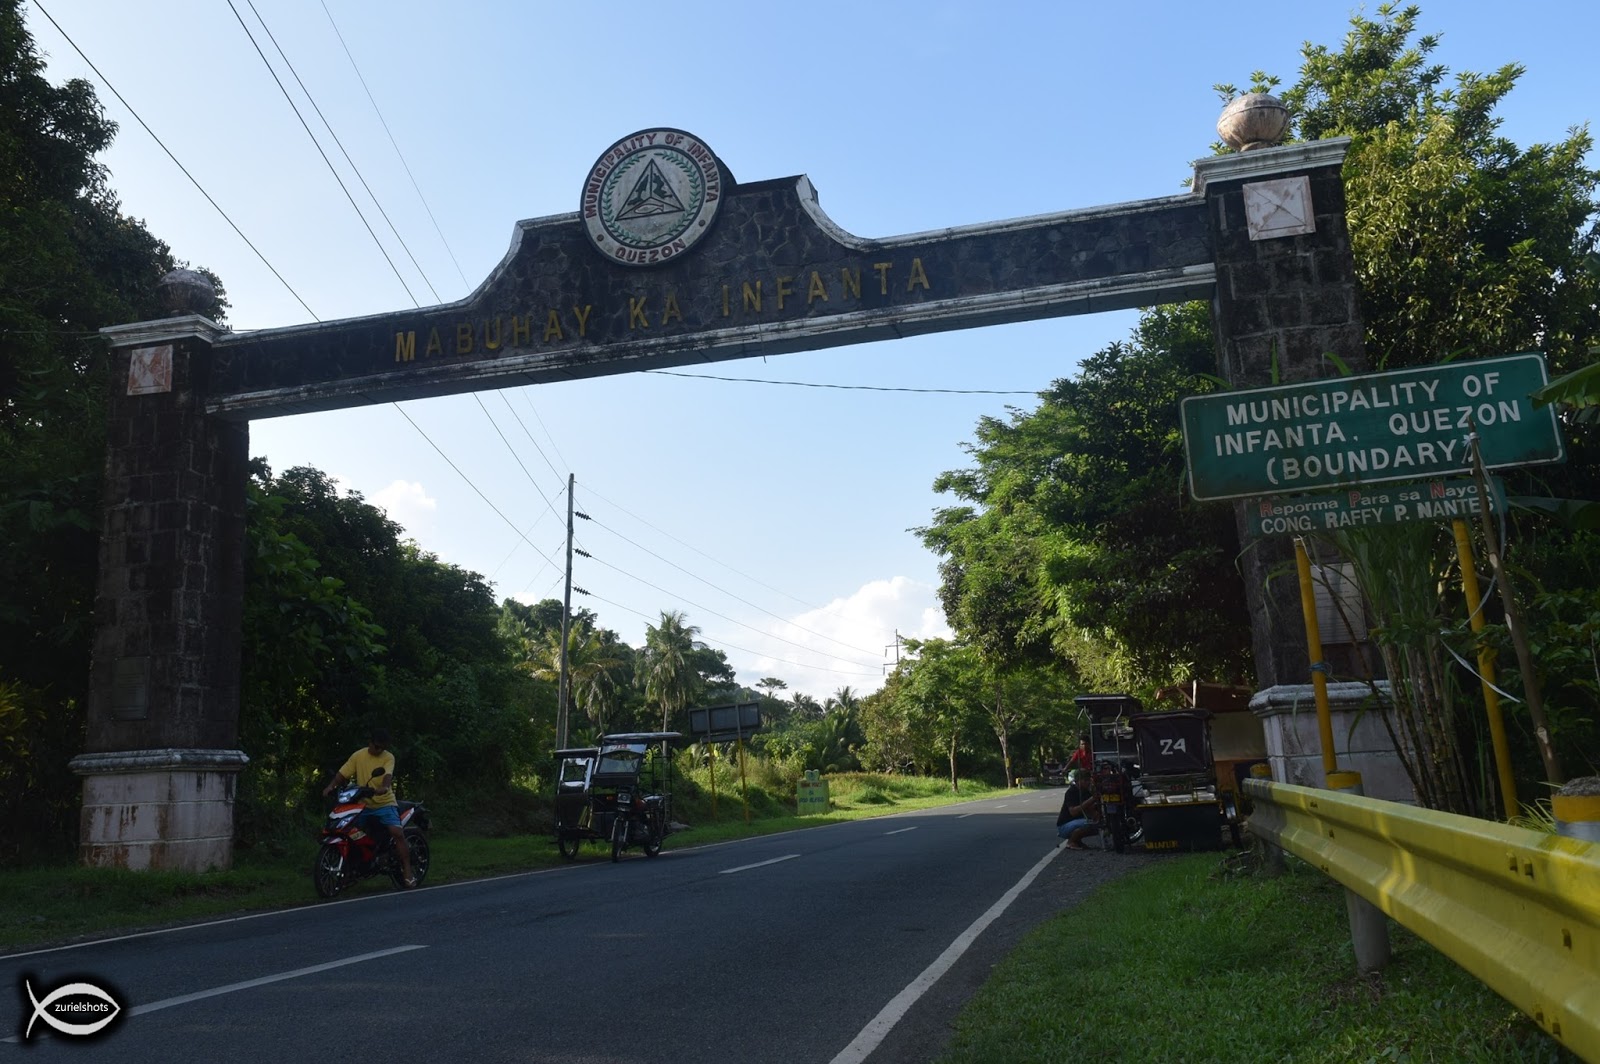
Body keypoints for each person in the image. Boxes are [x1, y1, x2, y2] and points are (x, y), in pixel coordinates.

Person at [323, 726, 415, 887]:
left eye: (383, 748)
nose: (379, 750)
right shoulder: (358, 756)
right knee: (348, 831)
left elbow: (387, 775)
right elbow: (342, 774)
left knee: (397, 832)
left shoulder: (388, 757)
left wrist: (384, 787)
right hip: (363, 804)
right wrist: (331, 786)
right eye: (377, 746)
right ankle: (352, 868)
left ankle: (407, 870)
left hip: (385, 803)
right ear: (370, 742)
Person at [1056, 768, 1100, 850]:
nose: (1088, 782)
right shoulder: (1071, 792)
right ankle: (1071, 841)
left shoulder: (1086, 791)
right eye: (1085, 780)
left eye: (1089, 780)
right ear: (1077, 781)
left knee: (1099, 825)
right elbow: (1073, 812)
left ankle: (1077, 841)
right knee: (1088, 824)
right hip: (1065, 825)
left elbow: (1091, 810)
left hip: (1077, 821)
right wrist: (1091, 800)